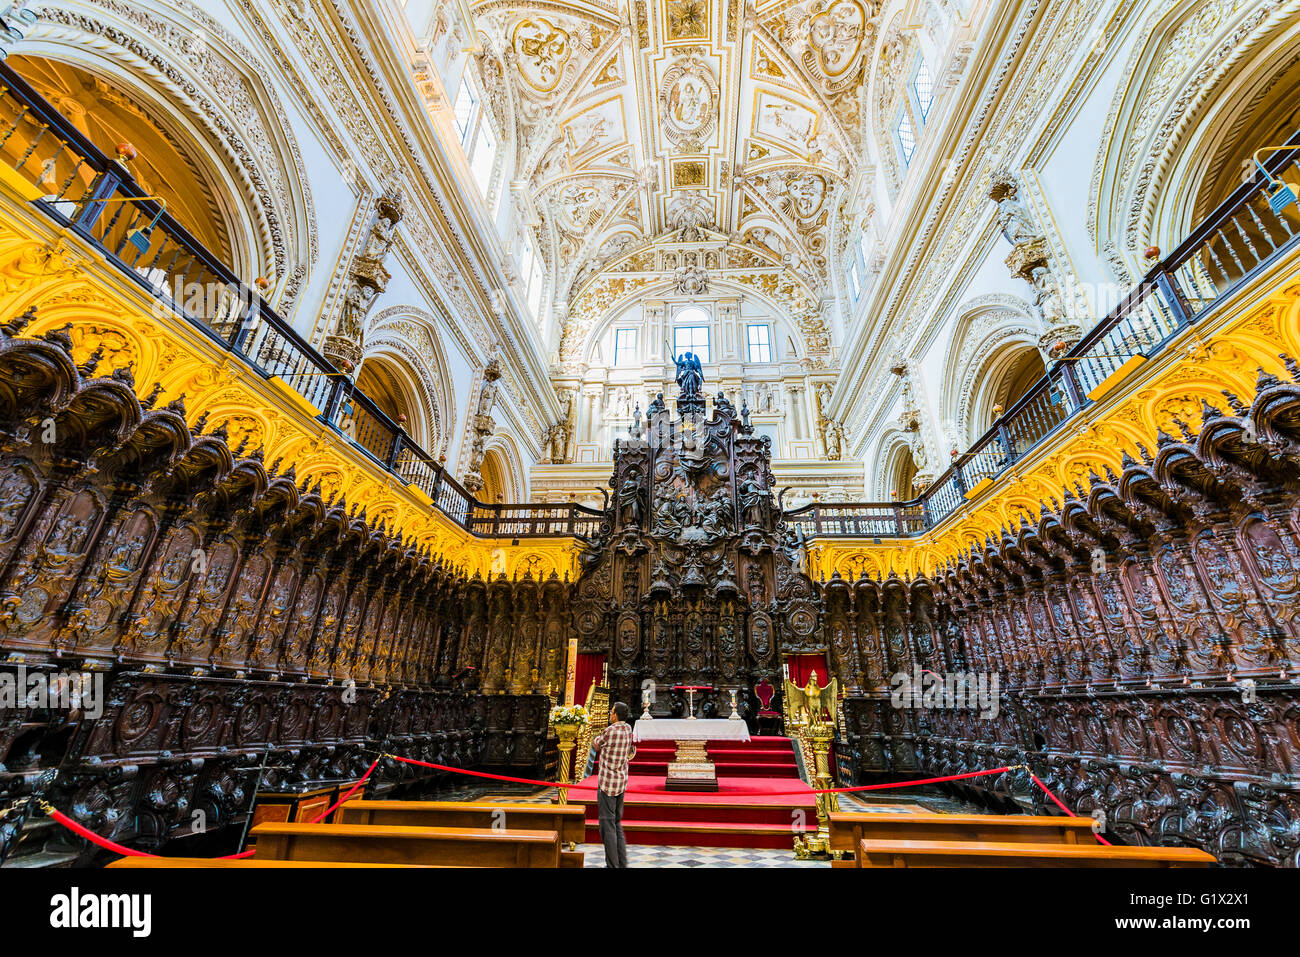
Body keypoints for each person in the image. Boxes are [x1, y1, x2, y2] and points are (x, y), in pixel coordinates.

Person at [592, 701, 636, 868]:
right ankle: (622, 863)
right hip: (621, 782)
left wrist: (597, 741)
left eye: (611, 712)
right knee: (617, 824)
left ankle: (612, 865)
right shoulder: (628, 729)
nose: (610, 715)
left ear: (616, 715)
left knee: (607, 826)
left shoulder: (610, 731)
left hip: (607, 784)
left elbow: (597, 743)